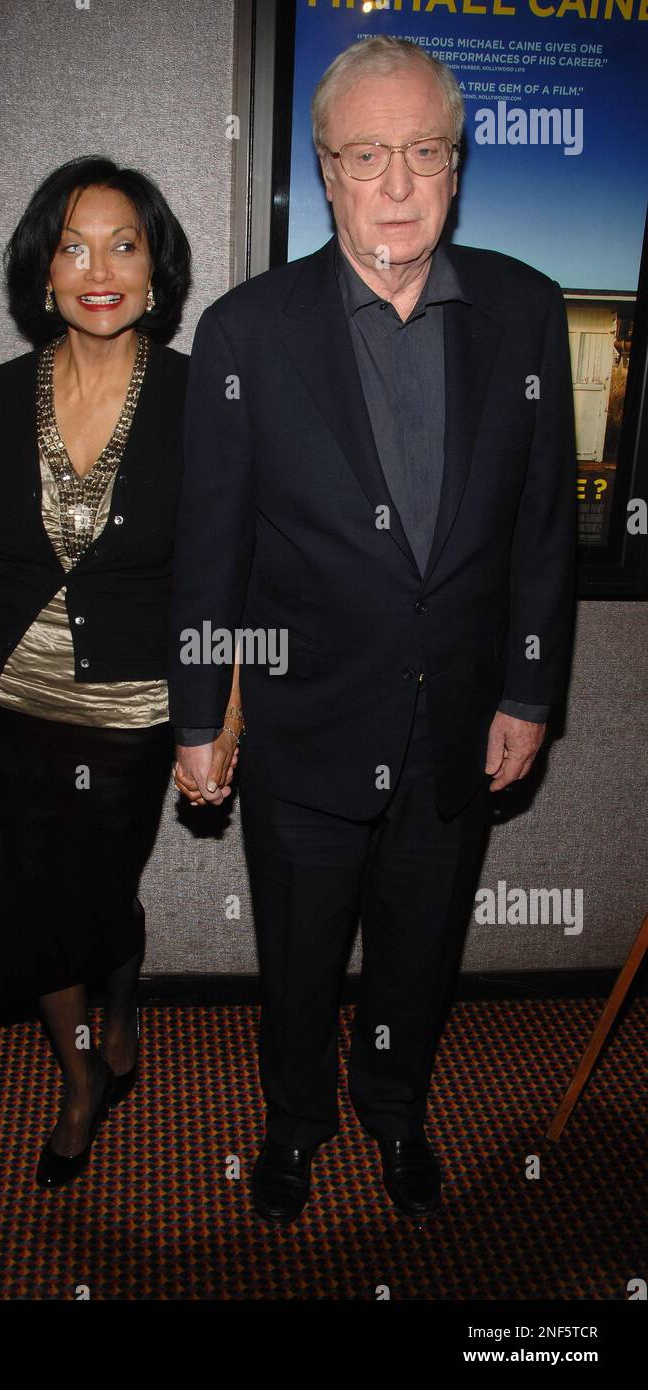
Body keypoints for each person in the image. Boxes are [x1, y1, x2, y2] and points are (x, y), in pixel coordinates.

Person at [169, 37, 575, 1223]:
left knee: (418, 946)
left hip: (456, 720)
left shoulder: (526, 310)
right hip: (303, 724)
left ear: (455, 167)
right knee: (298, 958)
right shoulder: (246, 335)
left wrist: (529, 693)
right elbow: (209, 551)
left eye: (423, 154)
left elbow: (542, 528)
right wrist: (200, 713)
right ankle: (294, 1122)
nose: (396, 186)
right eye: (365, 156)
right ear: (325, 170)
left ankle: (393, 1107)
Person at [0, 156, 242, 1191]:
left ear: (155, 268)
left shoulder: (204, 402)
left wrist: (223, 709)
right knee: (22, 907)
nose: (98, 269)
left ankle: (121, 1003)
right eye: (72, 246)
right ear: (41, 272)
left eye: (123, 245)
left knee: (97, 900)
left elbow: (229, 578)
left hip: (130, 714)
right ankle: (81, 1071)